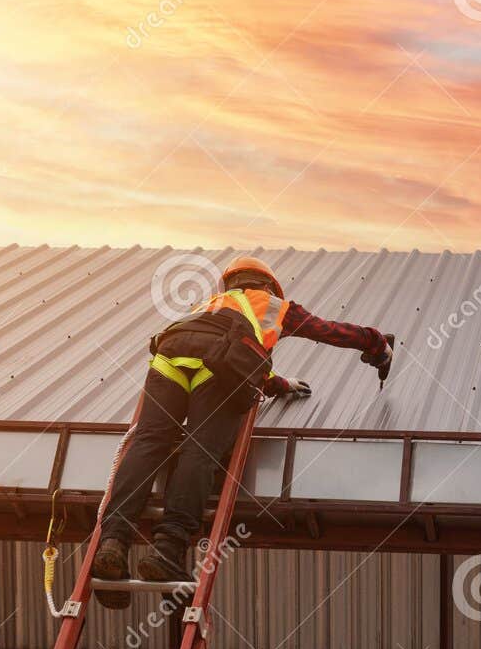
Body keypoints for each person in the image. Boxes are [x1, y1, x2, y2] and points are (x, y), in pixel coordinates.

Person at [91, 255, 394, 607]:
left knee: (148, 443)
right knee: (200, 449)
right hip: (216, 367)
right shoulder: (275, 305)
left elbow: (227, 347)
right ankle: (167, 550)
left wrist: (278, 384)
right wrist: (376, 344)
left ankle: (112, 543)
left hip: (170, 353)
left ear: (231, 283)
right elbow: (328, 331)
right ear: (268, 285)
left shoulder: (210, 304)